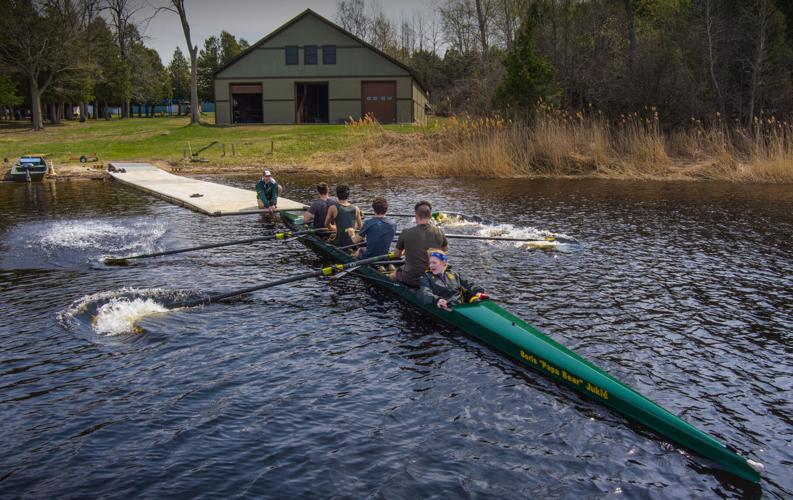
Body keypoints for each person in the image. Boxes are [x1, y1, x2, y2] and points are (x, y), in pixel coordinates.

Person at [390, 201, 448, 287]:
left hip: (412, 277)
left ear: (416, 216)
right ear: (430, 216)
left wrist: (407, 251)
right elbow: (445, 252)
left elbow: (397, 254)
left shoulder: (406, 232)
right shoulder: (439, 232)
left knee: (392, 275)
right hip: (433, 275)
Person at [417, 248, 488, 310]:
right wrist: (437, 300)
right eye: (430, 263)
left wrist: (478, 292)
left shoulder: (454, 274)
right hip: (446, 305)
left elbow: (469, 284)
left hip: (461, 306)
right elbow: (424, 292)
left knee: (478, 299)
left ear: (444, 263)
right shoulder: (426, 277)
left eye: (434, 263)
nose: (431, 265)